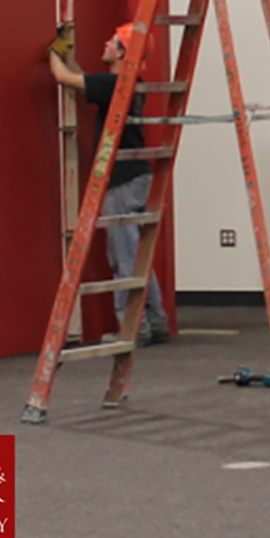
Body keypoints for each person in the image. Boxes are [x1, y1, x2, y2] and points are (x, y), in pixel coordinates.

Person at [48, 22, 169, 345]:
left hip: (121, 179)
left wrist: (51, 53)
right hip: (137, 175)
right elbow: (81, 80)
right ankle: (155, 321)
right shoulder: (127, 83)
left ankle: (133, 327)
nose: (106, 42)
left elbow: (63, 78)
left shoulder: (115, 83)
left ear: (122, 53)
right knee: (138, 254)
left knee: (124, 256)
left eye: (112, 41)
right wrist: (67, 54)